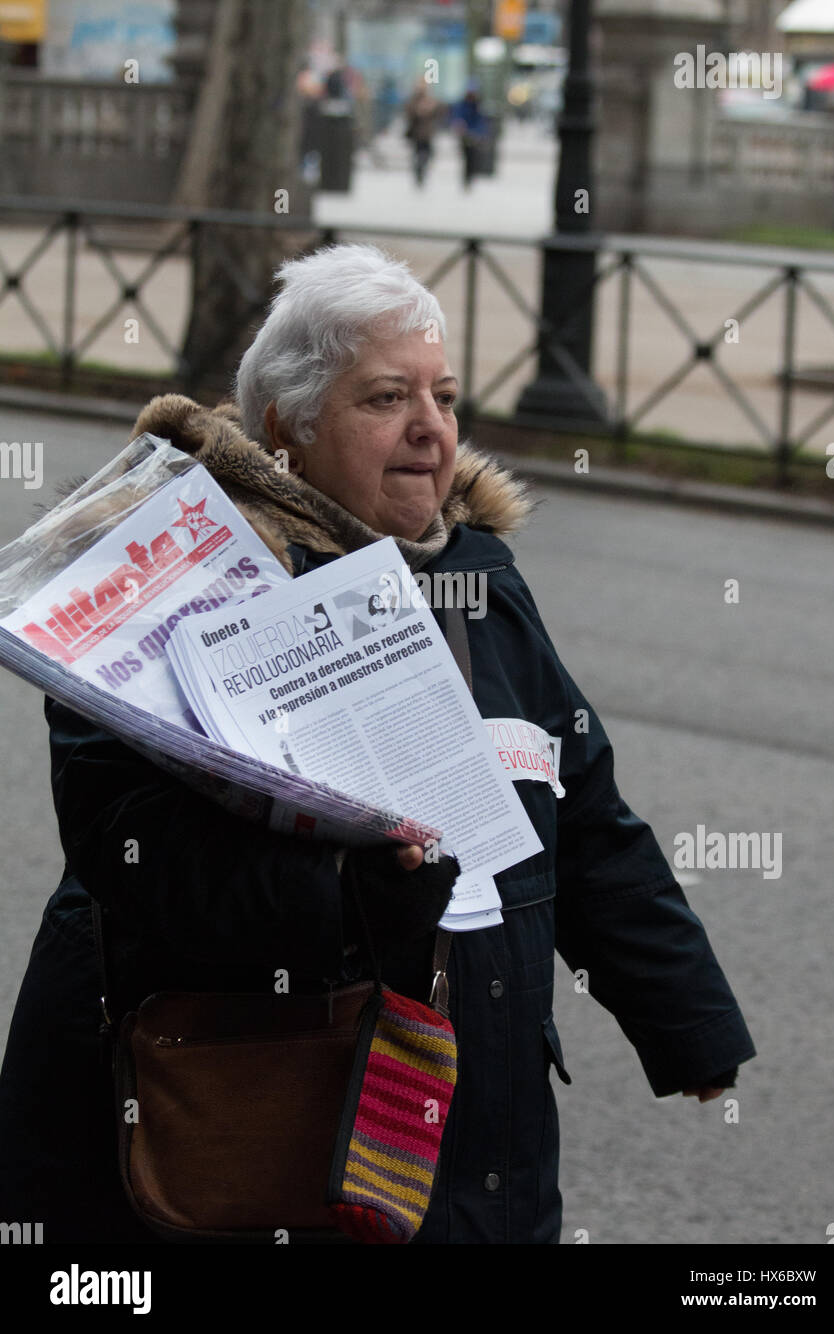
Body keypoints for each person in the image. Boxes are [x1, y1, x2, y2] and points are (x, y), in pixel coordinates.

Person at [0, 243, 756, 1245]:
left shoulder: (477, 582)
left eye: (443, 398)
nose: (428, 430)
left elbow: (583, 820)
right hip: (258, 1128)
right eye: (384, 398)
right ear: (286, 431)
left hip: (478, 1119)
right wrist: (357, 892)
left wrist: (682, 1017)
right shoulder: (170, 591)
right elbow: (144, 861)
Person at [403, 79, 443, 187]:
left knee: (427, 154)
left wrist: (430, 108)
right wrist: (418, 111)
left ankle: (421, 171)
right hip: (417, 133)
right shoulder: (413, 100)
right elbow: (409, 113)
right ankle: (418, 173)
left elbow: (439, 112)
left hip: (428, 133)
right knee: (418, 154)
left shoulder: (430, 100)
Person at [450, 86, 490, 188]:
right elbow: (457, 117)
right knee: (467, 158)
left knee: (473, 159)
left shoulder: (478, 105)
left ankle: (470, 177)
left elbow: (481, 121)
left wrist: (480, 134)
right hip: (465, 136)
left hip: (475, 137)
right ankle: (466, 178)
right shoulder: (462, 105)